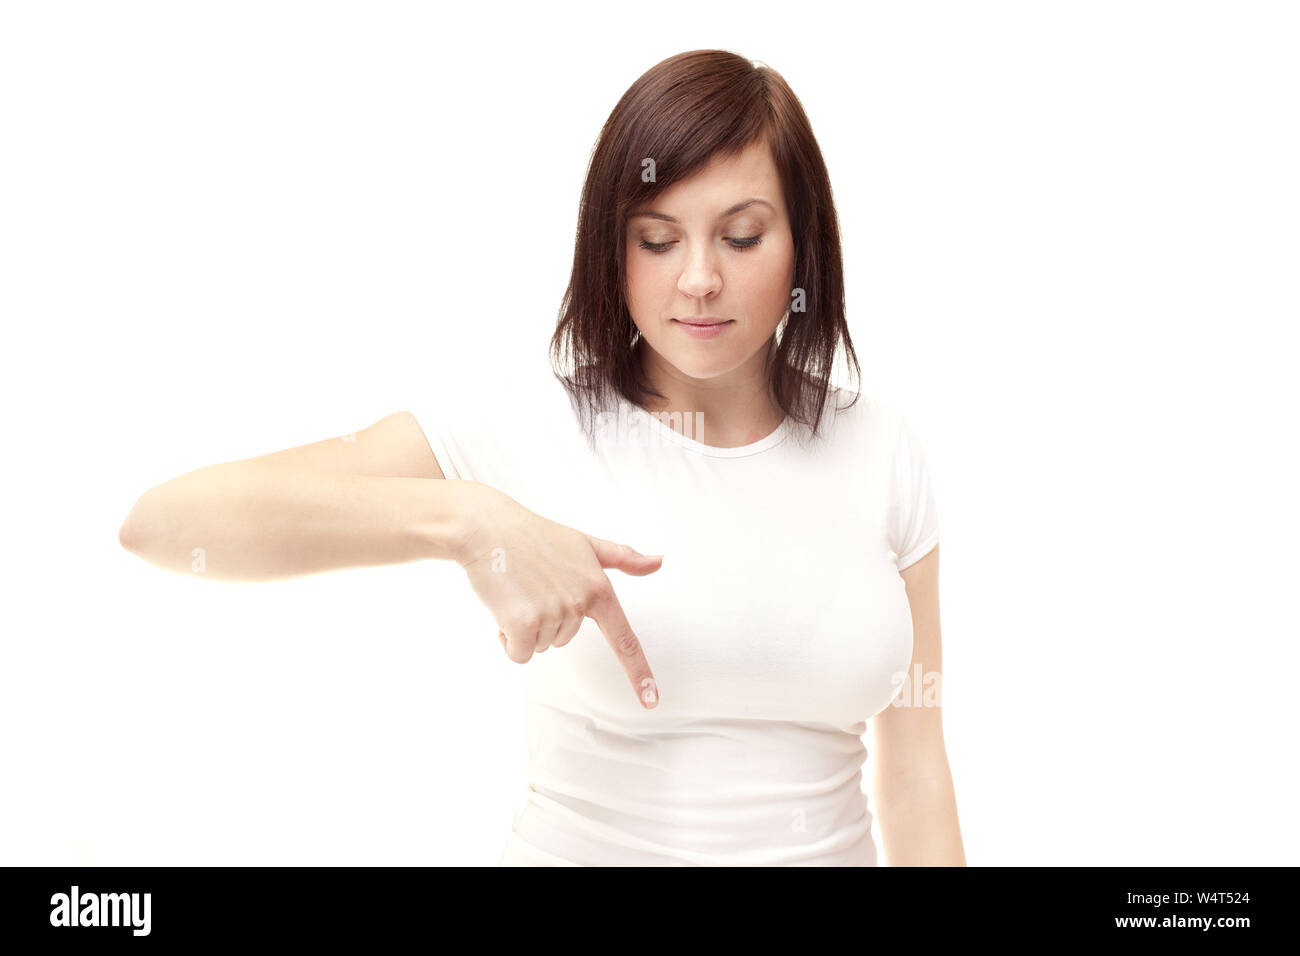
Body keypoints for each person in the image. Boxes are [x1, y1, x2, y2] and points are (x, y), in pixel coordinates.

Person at [119, 49, 964, 866]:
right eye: (658, 240)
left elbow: (915, 770)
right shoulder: (531, 426)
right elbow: (163, 524)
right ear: (612, 248)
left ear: (803, 244)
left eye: (741, 237)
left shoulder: (883, 448)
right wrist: (470, 520)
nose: (700, 278)